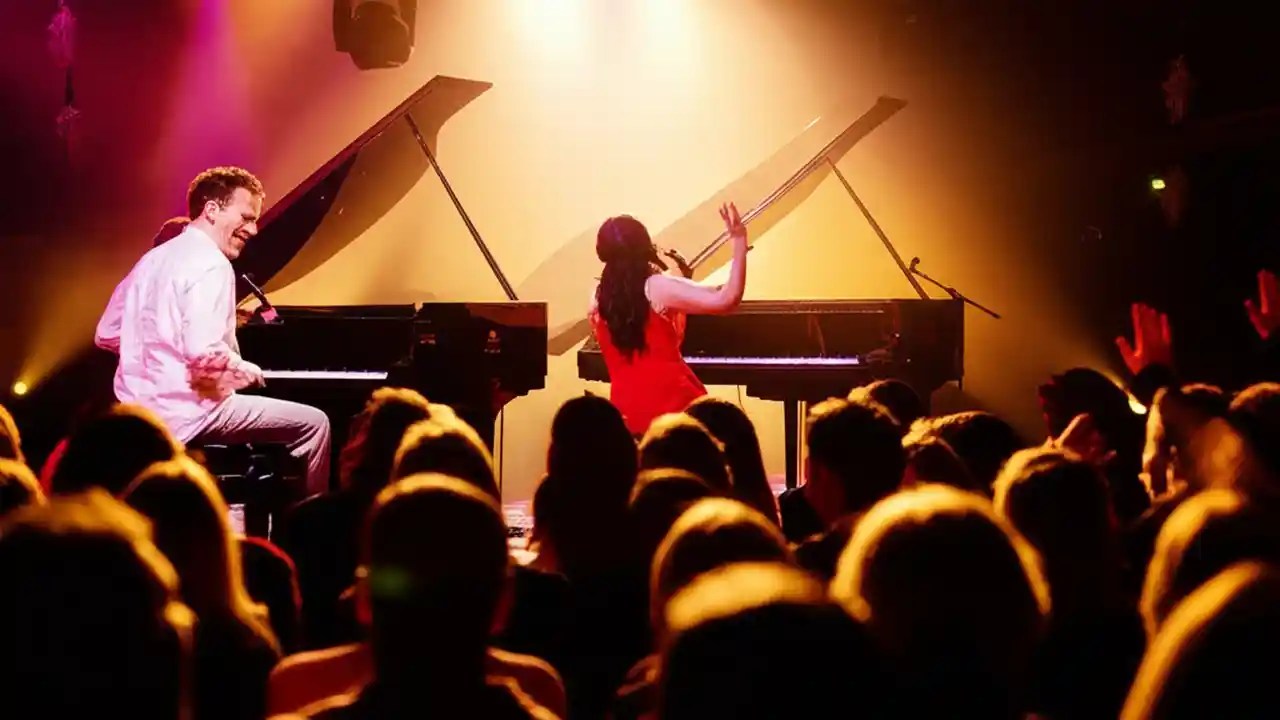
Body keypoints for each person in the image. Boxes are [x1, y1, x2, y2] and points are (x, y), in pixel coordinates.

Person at [94, 166, 331, 494]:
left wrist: (153, 346)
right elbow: (203, 351)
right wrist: (247, 369)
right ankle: (308, 528)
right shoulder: (213, 264)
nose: (254, 229)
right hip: (193, 414)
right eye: (246, 217)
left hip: (138, 413)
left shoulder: (152, 260)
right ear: (212, 210)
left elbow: (105, 333)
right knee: (315, 424)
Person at [589, 203, 748, 436]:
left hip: (627, 418)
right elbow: (727, 298)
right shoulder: (657, 286)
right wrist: (739, 241)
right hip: (679, 417)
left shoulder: (596, 297)